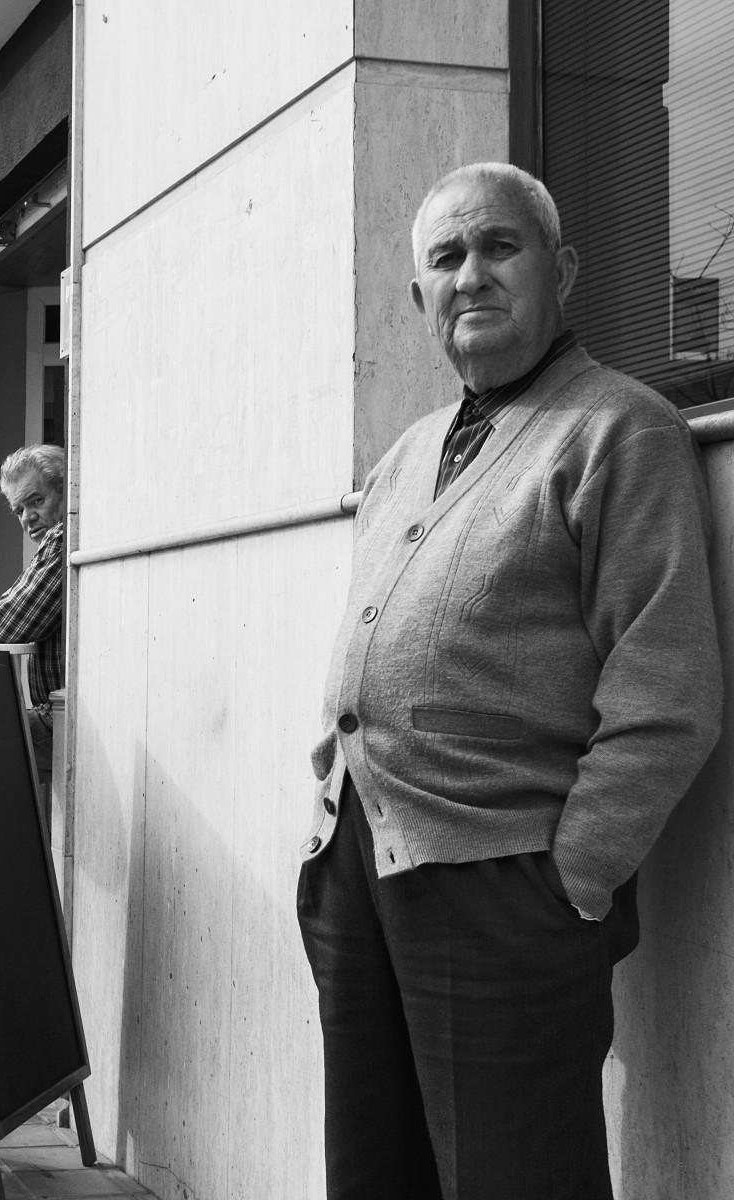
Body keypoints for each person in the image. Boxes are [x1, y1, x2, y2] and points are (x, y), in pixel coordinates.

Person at [298, 161, 722, 1200]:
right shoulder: (405, 453)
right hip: (360, 865)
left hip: (502, 882)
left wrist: (573, 881)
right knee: (374, 1172)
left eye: (500, 247)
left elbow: (665, 693)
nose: (472, 275)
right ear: (417, 299)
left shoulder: (620, 429)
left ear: (561, 269)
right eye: (446, 258)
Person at [0, 443, 66, 797]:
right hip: (57, 714)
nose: (26, 518)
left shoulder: (64, 540)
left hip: (68, 718)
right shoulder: (52, 546)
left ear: (64, 491)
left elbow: (3, 632)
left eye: (36, 501)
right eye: (18, 509)